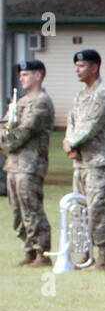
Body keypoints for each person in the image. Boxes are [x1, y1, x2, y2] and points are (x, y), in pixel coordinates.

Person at [63, 49, 105, 270]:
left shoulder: (103, 93)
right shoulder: (80, 95)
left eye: (82, 65)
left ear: (94, 67)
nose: (78, 69)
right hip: (80, 162)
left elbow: (91, 126)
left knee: (98, 208)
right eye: (77, 66)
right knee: (79, 209)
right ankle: (84, 256)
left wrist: (71, 143)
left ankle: (104, 257)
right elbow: (72, 123)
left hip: (98, 161)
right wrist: (69, 144)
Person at [2, 59, 54, 267]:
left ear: (38, 75)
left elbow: (23, 132)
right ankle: (29, 249)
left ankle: (42, 252)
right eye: (21, 74)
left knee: (32, 208)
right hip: (14, 164)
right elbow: (5, 125)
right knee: (17, 210)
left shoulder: (41, 102)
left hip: (30, 164)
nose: (22, 78)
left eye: (26, 74)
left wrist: (5, 141)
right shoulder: (20, 102)